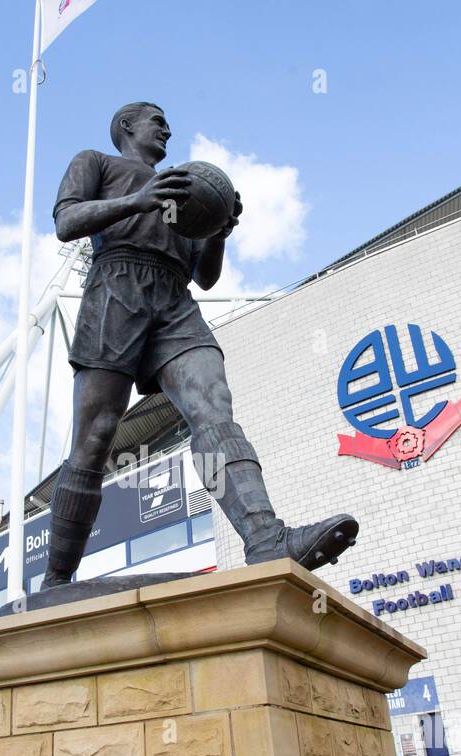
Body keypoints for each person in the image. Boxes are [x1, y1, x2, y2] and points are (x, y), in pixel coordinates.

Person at [42, 101, 358, 590]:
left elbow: (205, 277)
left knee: (214, 410)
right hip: (116, 288)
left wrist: (218, 232)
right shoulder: (96, 162)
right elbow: (66, 221)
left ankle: (266, 539)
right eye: (157, 120)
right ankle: (57, 578)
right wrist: (136, 201)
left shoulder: (184, 187)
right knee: (96, 434)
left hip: (174, 300)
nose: (167, 129)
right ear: (126, 127)